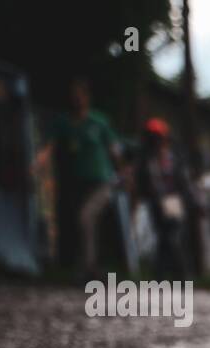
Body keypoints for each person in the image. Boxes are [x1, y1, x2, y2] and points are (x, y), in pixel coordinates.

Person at [38, 76, 121, 279]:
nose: (76, 100)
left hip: (103, 182)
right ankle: (86, 267)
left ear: (87, 97)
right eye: (73, 96)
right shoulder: (64, 123)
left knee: (85, 218)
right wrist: (38, 162)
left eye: (79, 96)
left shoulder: (99, 121)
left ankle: (89, 267)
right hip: (78, 184)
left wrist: (123, 172)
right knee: (82, 223)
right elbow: (49, 147)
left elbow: (114, 149)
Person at [135, 118, 199, 280]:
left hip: (173, 201)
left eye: (157, 137)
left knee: (173, 238)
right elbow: (142, 182)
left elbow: (185, 181)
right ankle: (161, 277)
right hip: (155, 202)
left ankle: (181, 276)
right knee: (163, 238)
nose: (154, 141)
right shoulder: (145, 159)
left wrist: (195, 201)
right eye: (151, 137)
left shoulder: (174, 156)